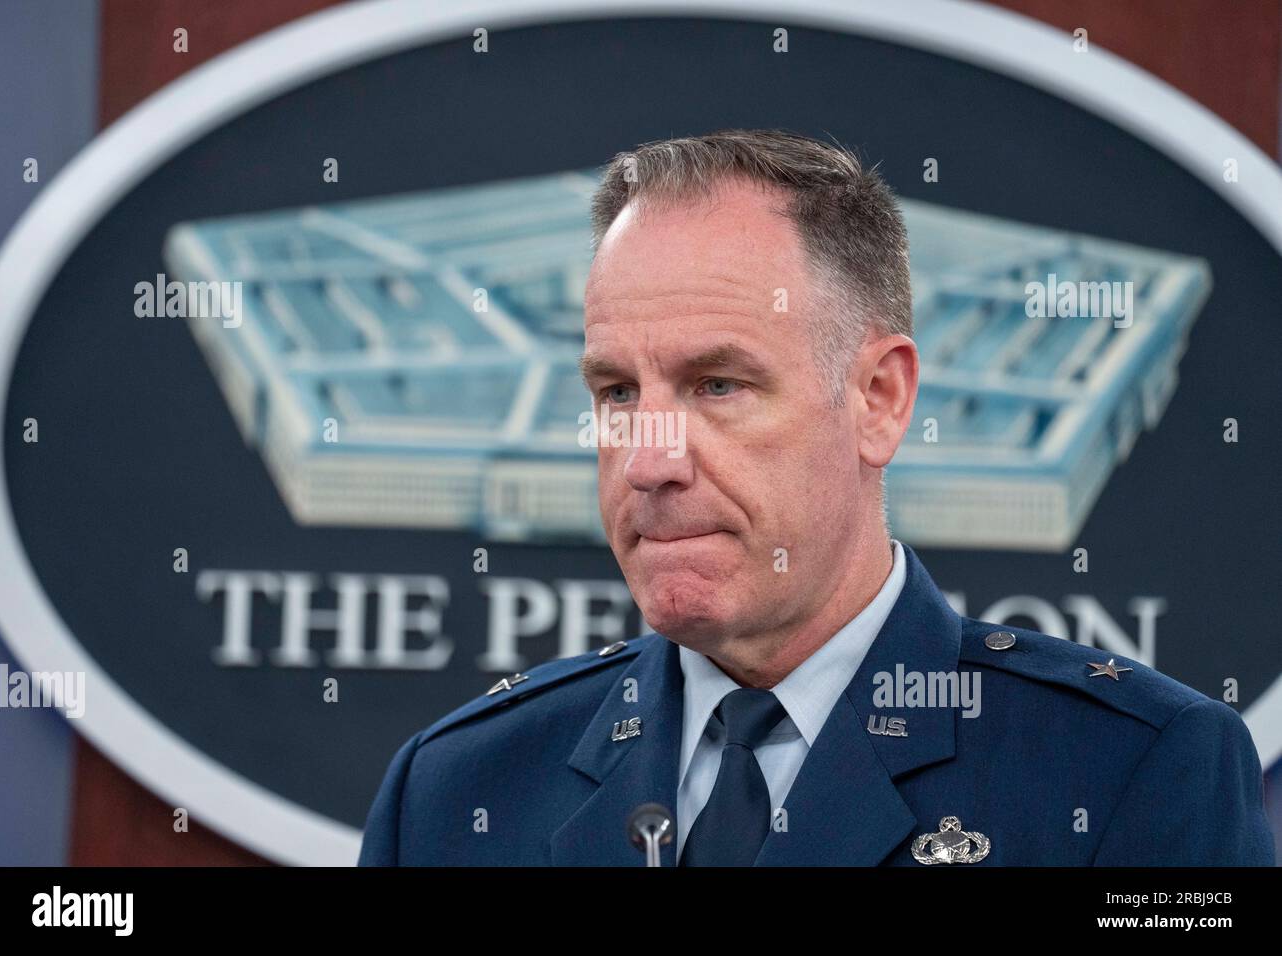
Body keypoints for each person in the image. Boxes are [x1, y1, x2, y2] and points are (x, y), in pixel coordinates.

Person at [358, 129, 1273, 866]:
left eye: (718, 385)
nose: (649, 461)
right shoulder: (456, 793)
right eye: (618, 393)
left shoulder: (1131, 772)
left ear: (879, 400)